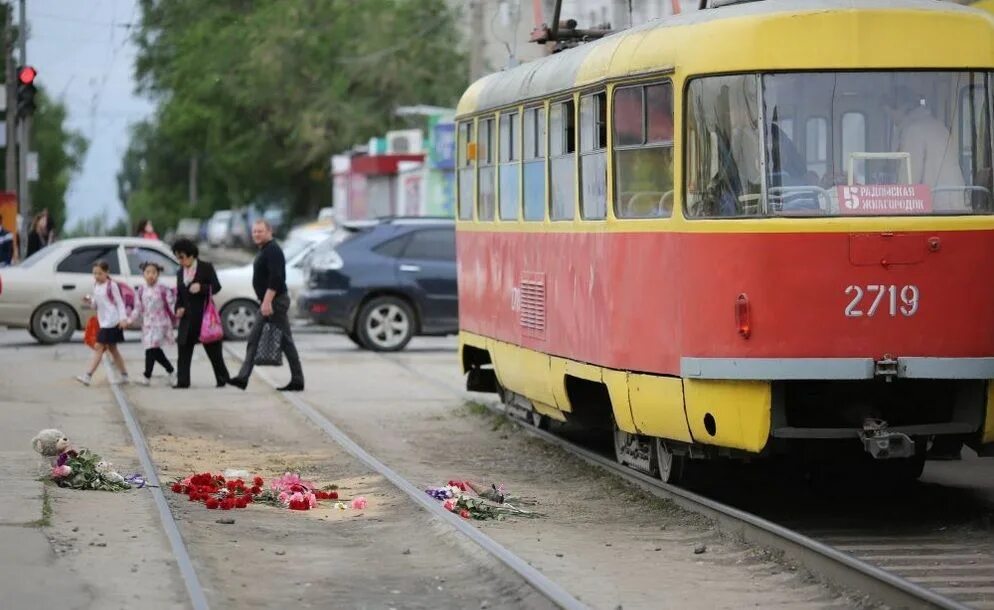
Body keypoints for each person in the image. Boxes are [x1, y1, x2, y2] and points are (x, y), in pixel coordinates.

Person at [228, 220, 304, 392]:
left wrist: (267, 301)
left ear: (270, 232)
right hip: (270, 301)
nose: (256, 234)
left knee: (268, 340)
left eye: (260, 231)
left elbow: (276, 278)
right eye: (254, 231)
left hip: (275, 302)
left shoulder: (273, 250)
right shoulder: (265, 250)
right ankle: (243, 378)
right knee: (273, 341)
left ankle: (244, 378)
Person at [884, 87, 967, 211]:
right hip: (957, 201)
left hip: (937, 206)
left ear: (902, 108)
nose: (893, 121)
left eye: (890, 115)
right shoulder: (938, 126)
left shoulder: (913, 131)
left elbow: (908, 181)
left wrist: (893, 205)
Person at [172, 238, 231, 389]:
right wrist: (178, 308)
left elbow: (216, 287)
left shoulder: (206, 268)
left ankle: (223, 378)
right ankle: (183, 381)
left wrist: (202, 288)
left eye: (182, 257)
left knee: (214, 351)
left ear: (191, 255)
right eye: (177, 257)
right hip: (186, 318)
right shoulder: (180, 273)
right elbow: (179, 295)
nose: (180, 261)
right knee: (183, 350)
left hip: (204, 317)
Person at [76, 260, 130, 386]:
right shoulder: (96, 285)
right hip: (103, 321)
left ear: (107, 272)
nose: (97, 276)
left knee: (99, 347)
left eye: (100, 273)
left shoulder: (112, 285)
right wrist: (89, 301)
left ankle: (88, 376)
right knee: (113, 349)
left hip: (112, 322)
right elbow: (96, 305)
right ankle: (125, 375)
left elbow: (120, 303)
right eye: (94, 273)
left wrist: (123, 319)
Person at [125, 261, 177, 386]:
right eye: (148, 272)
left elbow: (171, 304)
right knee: (153, 349)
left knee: (152, 349)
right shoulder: (141, 290)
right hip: (148, 325)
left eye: (154, 272)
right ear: (143, 274)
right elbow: (137, 308)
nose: (150, 275)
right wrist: (129, 321)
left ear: (158, 274)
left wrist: (179, 313)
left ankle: (147, 376)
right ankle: (171, 371)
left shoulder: (163, 289)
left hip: (161, 323)